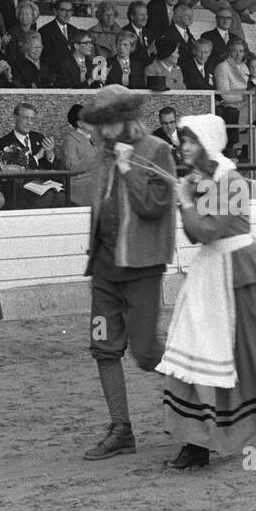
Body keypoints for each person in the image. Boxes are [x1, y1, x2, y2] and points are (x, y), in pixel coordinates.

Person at [159, 114, 256, 468]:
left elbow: (207, 230)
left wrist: (185, 200)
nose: (184, 147)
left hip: (244, 276)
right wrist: (188, 197)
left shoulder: (232, 180)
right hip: (211, 274)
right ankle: (197, 442)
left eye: (191, 141)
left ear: (208, 143)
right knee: (196, 350)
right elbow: (196, 236)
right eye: (183, 140)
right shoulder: (202, 180)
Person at [80, 84, 177, 460]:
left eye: (109, 122)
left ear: (126, 119)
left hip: (142, 267)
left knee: (146, 352)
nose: (103, 131)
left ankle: (202, 399)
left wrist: (128, 169)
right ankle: (121, 429)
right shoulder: (102, 154)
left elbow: (156, 205)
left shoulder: (157, 150)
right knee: (103, 347)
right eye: (99, 124)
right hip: (104, 269)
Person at [59, 103, 96, 207]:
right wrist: (95, 159)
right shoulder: (70, 140)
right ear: (80, 123)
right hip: (78, 183)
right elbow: (71, 167)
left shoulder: (92, 137)